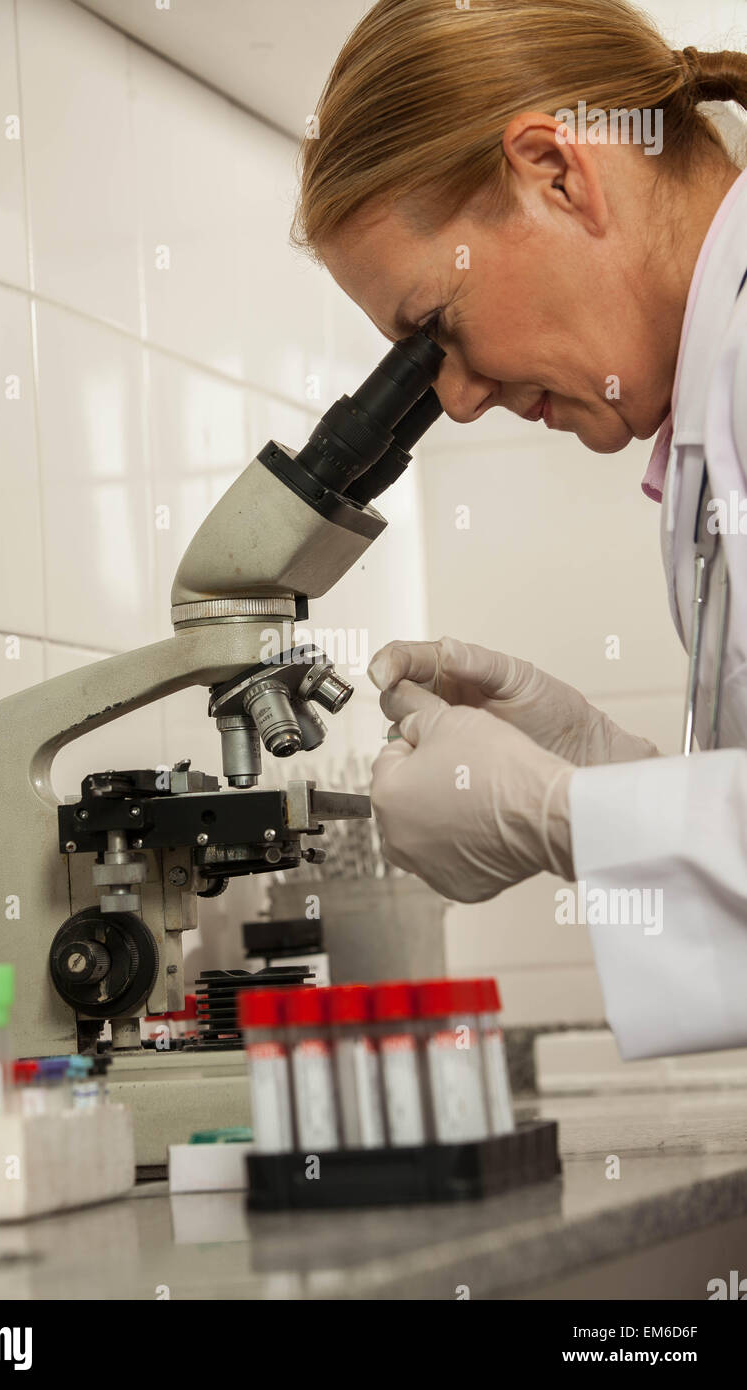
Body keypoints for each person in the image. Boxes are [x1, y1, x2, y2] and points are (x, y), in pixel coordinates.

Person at [291, 0, 747, 1059]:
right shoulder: (706, 412)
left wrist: (561, 814)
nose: (448, 401)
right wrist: (606, 774)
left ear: (554, 170)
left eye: (432, 331)